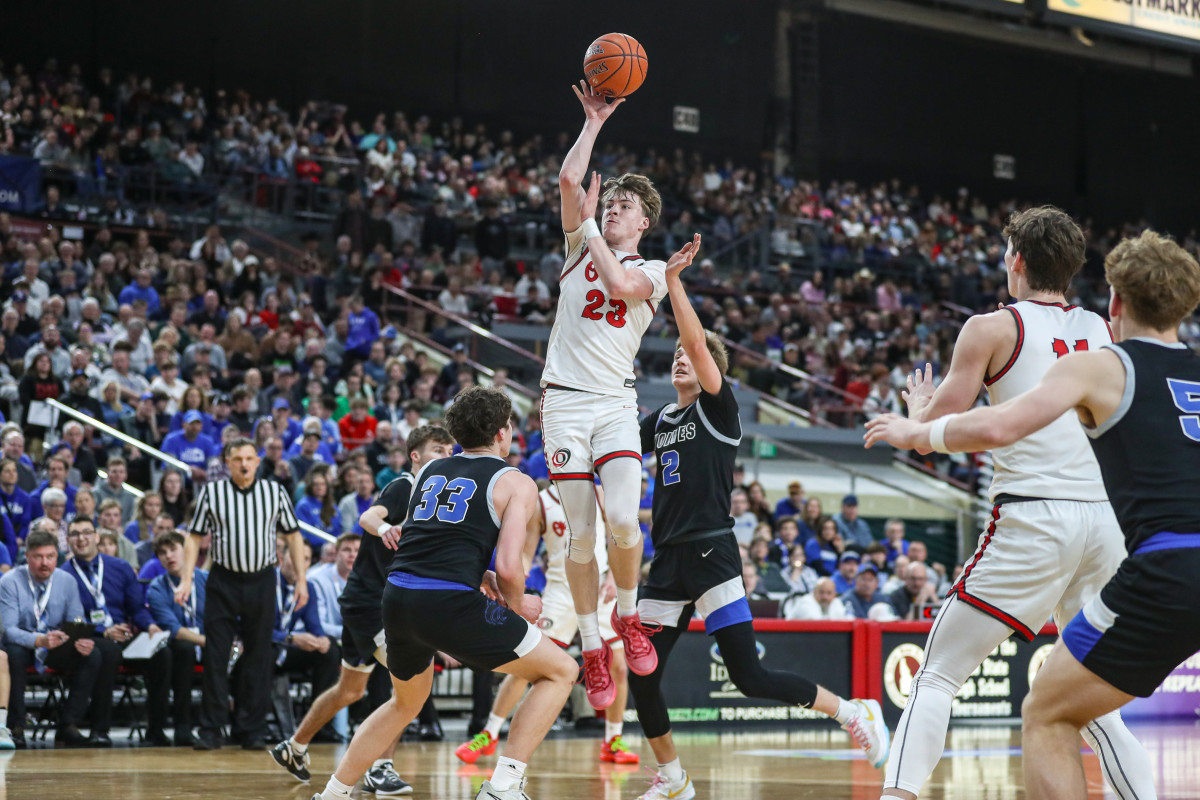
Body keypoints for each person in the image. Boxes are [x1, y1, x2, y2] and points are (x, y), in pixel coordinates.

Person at [863, 211, 1163, 800]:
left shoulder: (992, 328)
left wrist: (918, 410)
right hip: (1106, 525)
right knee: (1097, 707)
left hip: (1035, 516)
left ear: (1017, 262)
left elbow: (944, 423)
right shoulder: (1106, 329)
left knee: (938, 673)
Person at [627, 237, 888, 800]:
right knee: (642, 674)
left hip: (712, 550)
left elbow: (697, 342)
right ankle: (673, 779)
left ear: (712, 370)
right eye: (672, 353)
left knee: (750, 678)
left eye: (690, 355)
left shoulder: (718, 410)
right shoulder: (661, 419)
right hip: (667, 559)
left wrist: (672, 283)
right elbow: (616, 444)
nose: (680, 356)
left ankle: (851, 711)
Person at [312, 388, 578, 800]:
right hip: (449, 603)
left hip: (398, 597)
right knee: (560, 670)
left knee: (405, 704)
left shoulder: (431, 471)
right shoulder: (515, 481)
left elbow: (432, 546)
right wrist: (518, 601)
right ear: (503, 432)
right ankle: (504, 786)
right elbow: (511, 566)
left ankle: (333, 792)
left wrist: (481, 575)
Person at [539, 81, 672, 708]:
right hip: (564, 401)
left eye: (624, 206)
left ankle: (628, 616)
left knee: (623, 519)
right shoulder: (576, 244)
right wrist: (592, 123)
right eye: (609, 201)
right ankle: (592, 644)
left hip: (616, 402)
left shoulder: (655, 271)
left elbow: (618, 283)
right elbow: (570, 181)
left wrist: (592, 225)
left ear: (643, 222)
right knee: (580, 536)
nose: (611, 207)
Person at [273, 425, 453, 792]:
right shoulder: (406, 486)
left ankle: (293, 746)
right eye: (438, 449)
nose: (447, 455)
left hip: (371, 603)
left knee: (349, 690)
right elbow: (368, 517)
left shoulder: (435, 494)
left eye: (451, 450)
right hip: (372, 603)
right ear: (415, 456)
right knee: (412, 683)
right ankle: (380, 767)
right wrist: (385, 526)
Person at [456, 481, 638, 767]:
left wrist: (617, 578)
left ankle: (613, 740)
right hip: (560, 593)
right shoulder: (541, 501)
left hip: (599, 585)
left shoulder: (599, 492)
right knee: (525, 665)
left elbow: (619, 538)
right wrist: (519, 577)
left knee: (618, 667)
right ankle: (489, 733)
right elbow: (527, 549)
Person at [174, 437, 308, 751]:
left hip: (262, 580)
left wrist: (301, 580)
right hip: (222, 580)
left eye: (249, 458)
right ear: (227, 462)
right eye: (238, 459)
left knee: (259, 655)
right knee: (215, 654)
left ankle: (251, 728)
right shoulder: (212, 492)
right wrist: (187, 578)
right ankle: (211, 728)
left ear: (258, 461)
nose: (244, 464)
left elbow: (293, 535)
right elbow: (193, 538)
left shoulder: (274, 492)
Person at [0, 528, 102, 748]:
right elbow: (9, 630)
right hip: (25, 643)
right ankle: (15, 726)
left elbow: (76, 621)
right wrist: (40, 640)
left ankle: (68, 725)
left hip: (57, 643)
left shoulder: (67, 581)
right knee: (13, 654)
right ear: (26, 557)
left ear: (58, 556)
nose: (45, 562)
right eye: (38, 557)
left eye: (50, 556)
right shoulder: (10, 581)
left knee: (92, 655)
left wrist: (81, 639)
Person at [146, 530, 207, 745]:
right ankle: (179, 726)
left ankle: (234, 726)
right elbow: (173, 629)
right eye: (162, 553)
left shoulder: (206, 580)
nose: (169, 556)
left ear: (187, 551)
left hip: (206, 644)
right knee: (181, 649)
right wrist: (209, 642)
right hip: (182, 646)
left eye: (173, 549)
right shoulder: (156, 587)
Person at [781, 577, 849, 621]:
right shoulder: (805, 602)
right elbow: (818, 625)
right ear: (814, 592)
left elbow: (844, 619)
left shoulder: (836, 602)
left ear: (834, 594)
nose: (825, 597)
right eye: (821, 592)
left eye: (829, 593)